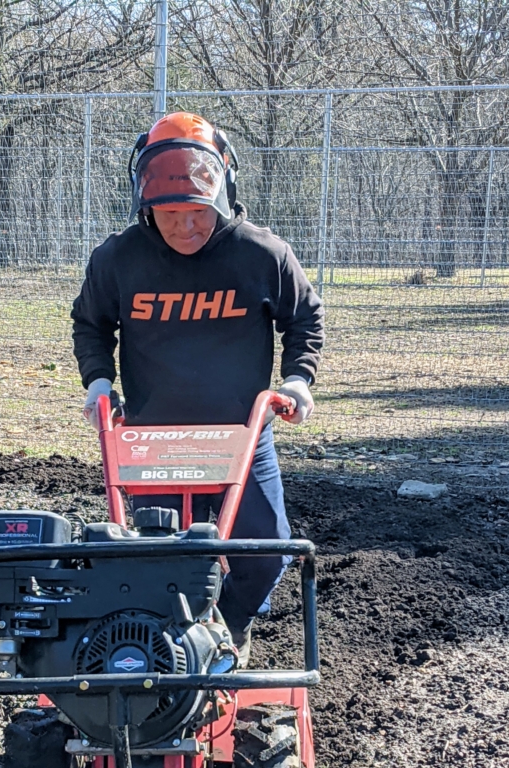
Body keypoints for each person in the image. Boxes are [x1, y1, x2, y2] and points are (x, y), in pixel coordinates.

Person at [71, 111, 324, 666]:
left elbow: (304, 318)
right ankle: (164, 659)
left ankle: (228, 631)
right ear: (146, 208)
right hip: (152, 439)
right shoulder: (118, 259)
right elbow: (91, 324)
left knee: (264, 551)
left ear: (224, 195)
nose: (185, 228)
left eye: (197, 214)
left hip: (240, 434)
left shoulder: (262, 254)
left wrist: (298, 380)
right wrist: (98, 382)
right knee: (162, 560)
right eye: (170, 216)